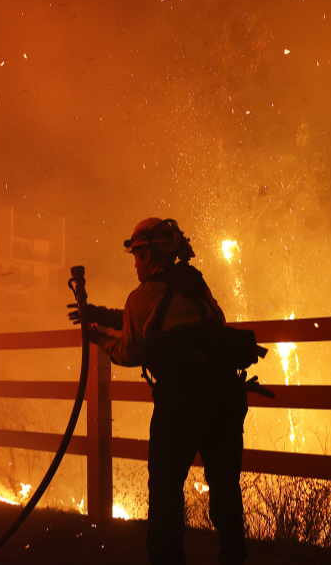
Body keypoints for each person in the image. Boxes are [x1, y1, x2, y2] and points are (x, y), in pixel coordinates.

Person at [69, 218, 249, 565]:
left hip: (181, 402)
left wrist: (98, 337)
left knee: (166, 490)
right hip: (224, 396)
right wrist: (100, 314)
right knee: (225, 486)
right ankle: (233, 558)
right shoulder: (195, 284)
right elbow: (158, 317)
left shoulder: (142, 295)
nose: (135, 265)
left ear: (148, 255)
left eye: (137, 257)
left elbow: (129, 351)